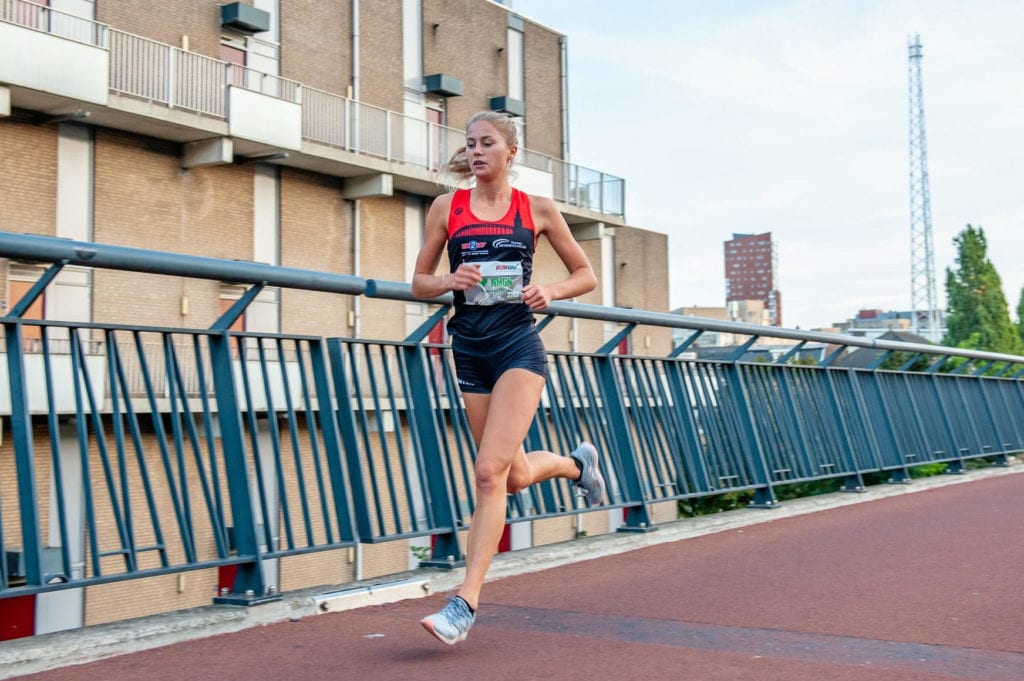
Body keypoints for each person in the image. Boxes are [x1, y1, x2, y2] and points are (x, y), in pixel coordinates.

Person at [411, 111, 606, 645]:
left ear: (511, 152)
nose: (476, 152)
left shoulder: (536, 209)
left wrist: (551, 291)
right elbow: (418, 282)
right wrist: (449, 279)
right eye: (471, 144)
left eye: (487, 143)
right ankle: (576, 465)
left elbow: (586, 274)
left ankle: (464, 604)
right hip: (470, 349)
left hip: (518, 346)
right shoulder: (446, 208)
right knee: (512, 476)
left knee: (487, 473)